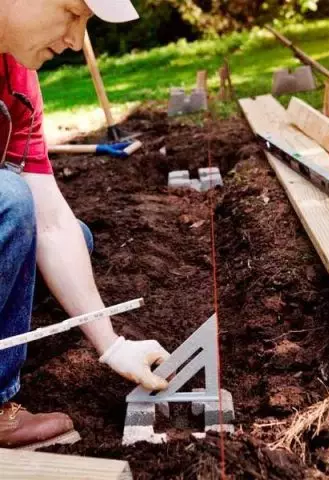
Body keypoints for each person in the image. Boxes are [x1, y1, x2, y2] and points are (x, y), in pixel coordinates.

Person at [0, 0, 169, 450]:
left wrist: (111, 344)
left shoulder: (18, 82)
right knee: (9, 200)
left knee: (71, 237)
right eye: (72, 13)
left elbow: (52, 222)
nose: (75, 40)